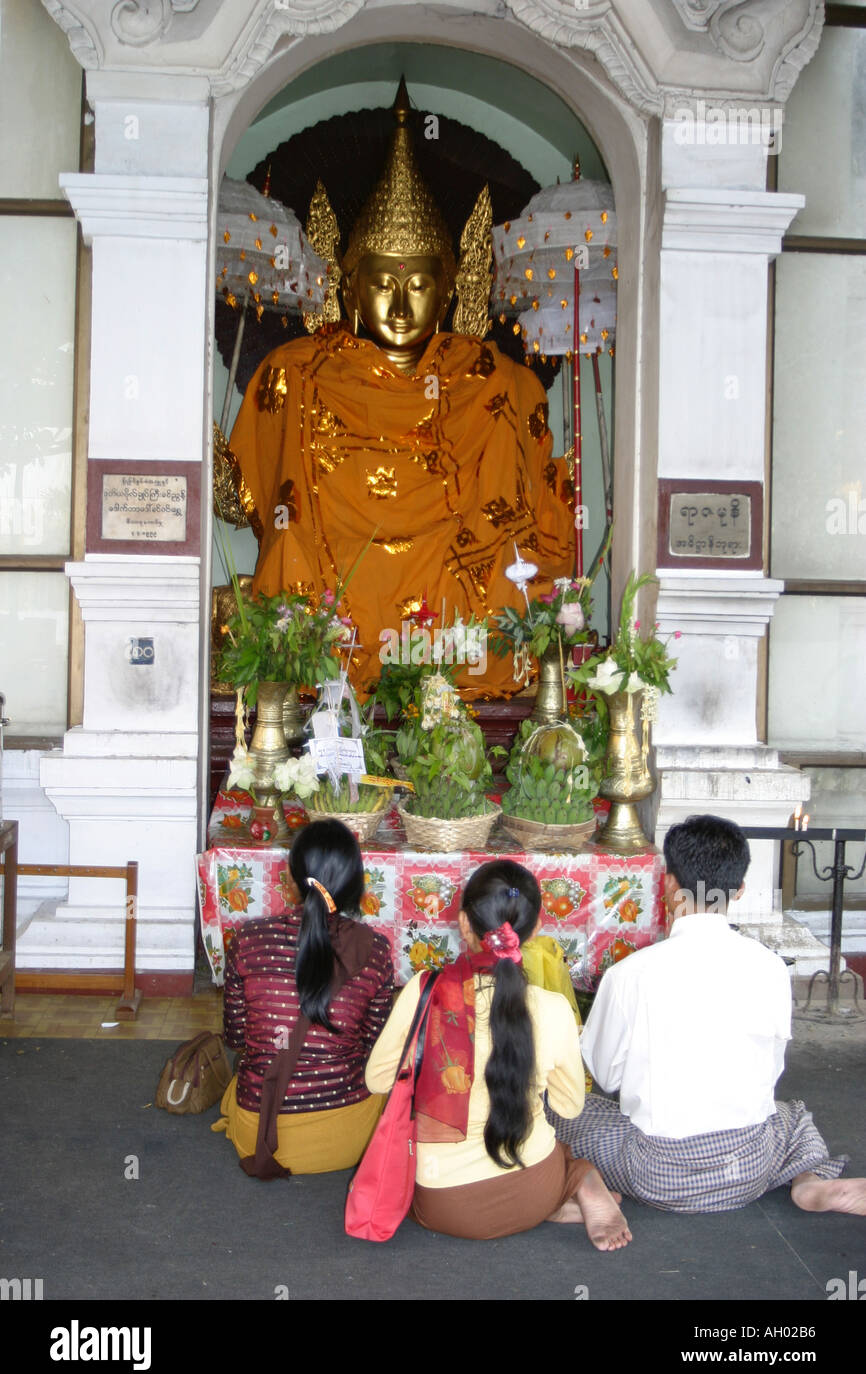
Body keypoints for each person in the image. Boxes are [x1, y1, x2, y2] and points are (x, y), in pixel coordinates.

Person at [228, 80, 575, 697]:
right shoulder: (302, 372)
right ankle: (323, 661)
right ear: (349, 288)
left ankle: (449, 668)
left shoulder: (495, 378)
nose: (399, 301)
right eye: (382, 280)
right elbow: (263, 502)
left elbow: (529, 511)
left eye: (418, 282)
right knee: (292, 549)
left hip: (453, 622)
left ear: (449, 292)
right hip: (336, 607)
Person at [552, 814, 866, 1217]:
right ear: (738, 891)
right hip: (750, 1166)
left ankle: (586, 1183)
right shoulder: (771, 967)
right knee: (794, 1117)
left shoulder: (629, 975)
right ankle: (810, 1184)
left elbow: (605, 1076)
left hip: (656, 1172)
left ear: (668, 886)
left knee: (556, 1111)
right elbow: (769, 1073)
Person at [364, 860, 632, 1249]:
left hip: (444, 1205)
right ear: (536, 929)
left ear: (463, 923)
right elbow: (570, 1107)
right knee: (562, 1147)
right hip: (533, 1188)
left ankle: (564, 1196)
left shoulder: (425, 991)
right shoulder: (552, 1007)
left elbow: (377, 1080)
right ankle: (575, 1185)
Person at [213, 819, 394, 1173]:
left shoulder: (248, 939)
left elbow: (235, 1038)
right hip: (349, 1136)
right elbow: (375, 1045)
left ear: (292, 879)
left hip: (259, 1133)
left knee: (243, 1072)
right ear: (356, 883)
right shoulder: (374, 951)